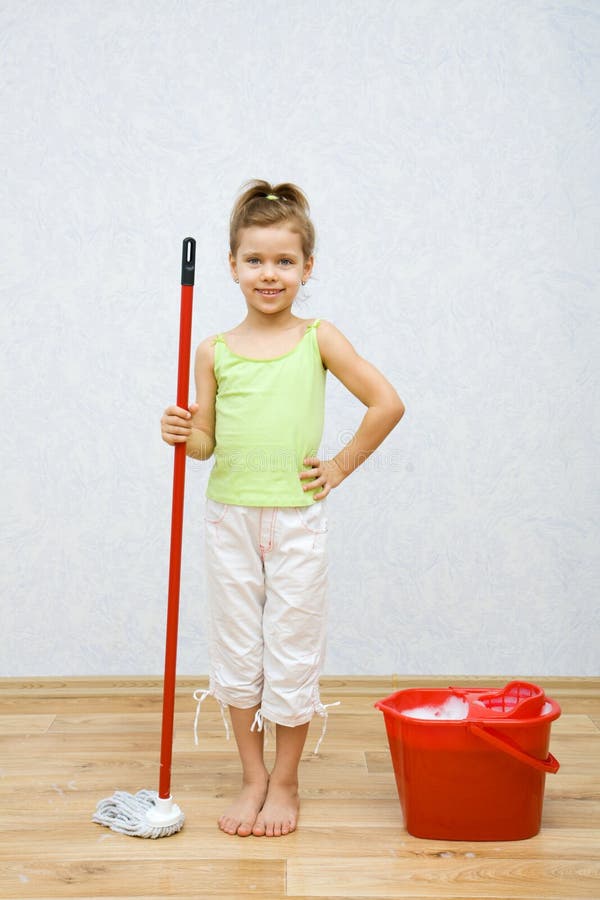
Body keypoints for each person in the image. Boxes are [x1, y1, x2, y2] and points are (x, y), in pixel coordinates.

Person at [161, 179, 405, 838]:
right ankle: (252, 777)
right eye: (255, 261)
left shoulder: (318, 338)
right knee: (239, 652)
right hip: (229, 520)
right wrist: (186, 435)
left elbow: (387, 403)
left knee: (291, 650)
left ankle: (287, 782)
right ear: (232, 265)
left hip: (295, 521)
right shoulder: (213, 350)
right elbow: (208, 445)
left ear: (307, 268)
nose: (269, 275)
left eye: (284, 261)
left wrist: (338, 466)